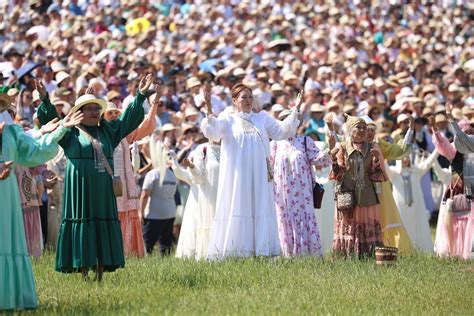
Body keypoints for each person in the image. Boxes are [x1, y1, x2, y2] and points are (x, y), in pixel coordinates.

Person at [36, 75, 152, 281]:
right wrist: (45, 100)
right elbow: (50, 123)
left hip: (103, 188)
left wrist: (140, 96)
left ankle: (99, 272)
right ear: (78, 113)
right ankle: (83, 271)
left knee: (101, 222)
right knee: (83, 220)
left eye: (96, 109)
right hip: (79, 186)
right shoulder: (70, 132)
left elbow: (128, 120)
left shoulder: (108, 130)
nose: (93, 112)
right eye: (88, 109)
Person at [0, 94, 82, 310]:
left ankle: (9, 298)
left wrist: (61, 128)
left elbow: (33, 150)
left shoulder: (11, 131)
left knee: (5, 238)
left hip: (6, 193)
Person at [201, 84, 302, 259]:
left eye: (250, 97)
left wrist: (295, 110)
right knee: (238, 203)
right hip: (237, 176)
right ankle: (236, 250)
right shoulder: (228, 118)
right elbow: (213, 132)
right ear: (234, 101)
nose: (248, 101)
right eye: (243, 97)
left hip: (260, 174)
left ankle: (261, 250)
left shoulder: (262, 118)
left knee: (259, 204)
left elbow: (282, 131)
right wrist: (209, 107)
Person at [103, 88, 159, 258]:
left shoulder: (125, 135)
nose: (113, 115)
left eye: (115, 112)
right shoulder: (101, 135)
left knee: (127, 215)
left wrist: (154, 105)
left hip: (126, 186)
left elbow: (146, 126)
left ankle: (129, 253)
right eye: (109, 113)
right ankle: (112, 253)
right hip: (109, 185)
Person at [270, 109, 333, 257]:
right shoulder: (274, 144)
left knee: (305, 218)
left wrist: (331, 147)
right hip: (282, 194)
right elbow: (268, 168)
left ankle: (307, 254)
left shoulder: (305, 141)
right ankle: (286, 254)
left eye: (295, 120)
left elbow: (320, 159)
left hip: (303, 193)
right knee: (283, 219)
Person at [330, 114, 387, 257]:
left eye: (364, 128)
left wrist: (375, 159)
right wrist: (334, 159)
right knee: (348, 226)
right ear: (350, 130)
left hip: (367, 195)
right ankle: (347, 255)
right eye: (358, 127)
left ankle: (368, 255)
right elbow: (338, 175)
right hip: (347, 195)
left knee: (367, 225)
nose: (362, 130)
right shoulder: (343, 147)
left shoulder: (372, 147)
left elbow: (377, 176)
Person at [431, 108, 474, 259]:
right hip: (458, 189)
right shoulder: (454, 150)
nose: (469, 134)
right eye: (467, 132)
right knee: (455, 220)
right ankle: (454, 249)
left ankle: (469, 250)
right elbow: (442, 144)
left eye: (471, 132)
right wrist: (435, 130)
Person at [385, 151, 438, 252]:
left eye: (407, 157)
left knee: (418, 228)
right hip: (401, 211)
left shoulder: (416, 171)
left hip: (416, 210)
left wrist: (437, 149)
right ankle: (405, 250)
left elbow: (428, 162)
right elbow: (385, 167)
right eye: (402, 158)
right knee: (403, 229)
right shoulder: (394, 174)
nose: (405, 160)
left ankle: (421, 250)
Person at [140, 139, 178, 256]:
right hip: (170, 213)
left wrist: (140, 212)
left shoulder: (152, 174)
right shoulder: (172, 174)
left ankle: (146, 267)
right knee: (166, 245)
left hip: (154, 214)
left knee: (148, 244)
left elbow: (145, 195)